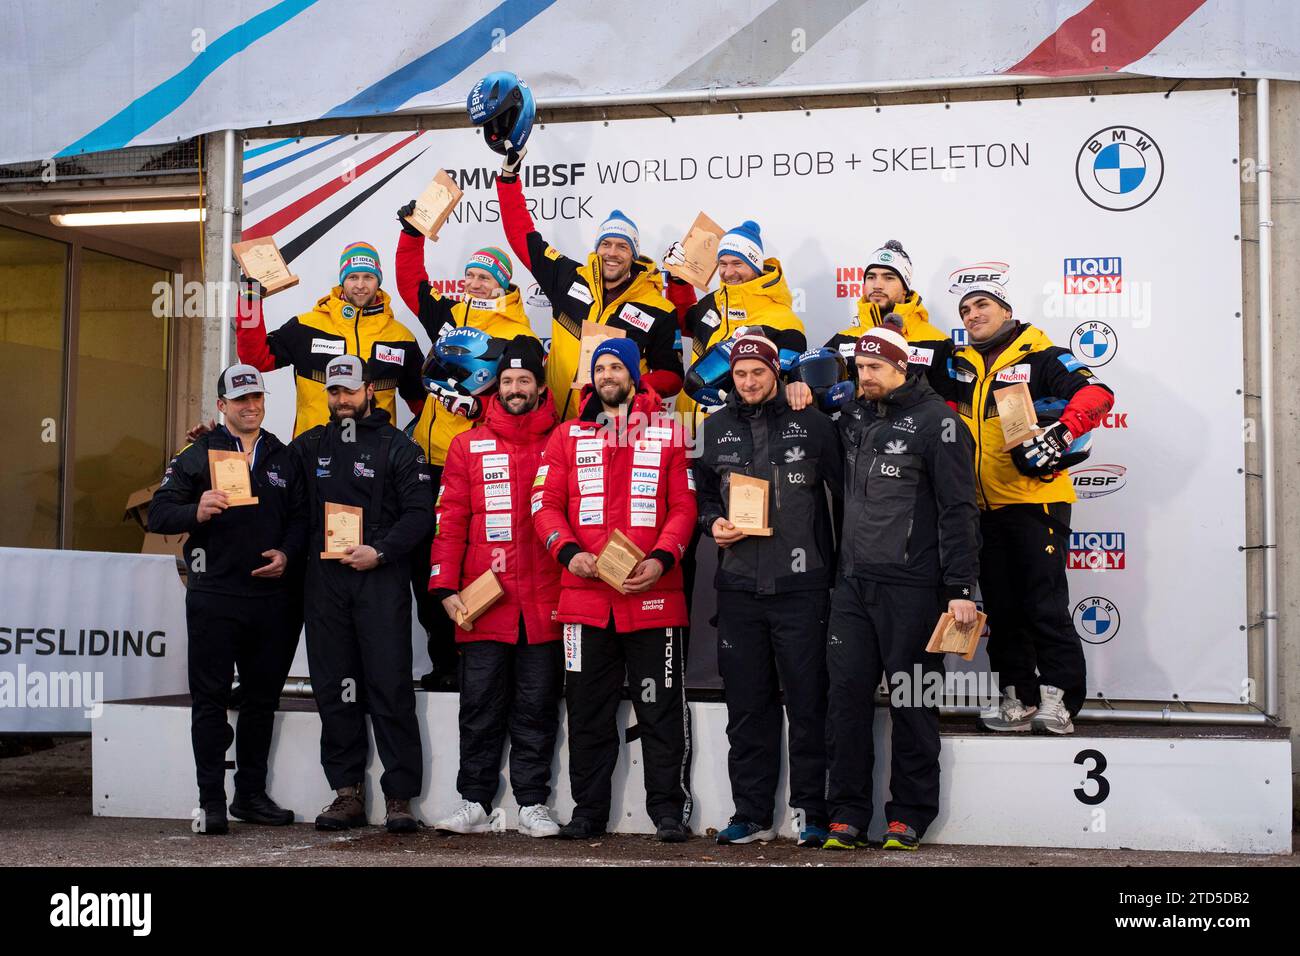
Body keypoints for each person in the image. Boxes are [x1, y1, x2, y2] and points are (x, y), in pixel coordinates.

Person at [822, 328, 981, 852]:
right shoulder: (852, 417)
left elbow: (959, 510)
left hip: (914, 587)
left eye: (876, 367)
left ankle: (909, 815)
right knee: (845, 701)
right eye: (860, 367)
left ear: (902, 367)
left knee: (913, 703)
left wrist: (961, 586)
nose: (865, 375)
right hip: (852, 585)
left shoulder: (941, 423)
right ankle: (846, 813)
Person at [533, 338, 697, 841]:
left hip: (653, 595)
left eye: (616, 368)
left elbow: (684, 508)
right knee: (586, 709)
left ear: (634, 374)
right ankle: (588, 810)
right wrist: (568, 552)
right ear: (591, 379)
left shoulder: (669, 433)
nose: (607, 376)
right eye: (599, 368)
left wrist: (661, 559)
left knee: (661, 707)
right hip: (584, 600)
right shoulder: (565, 435)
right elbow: (544, 505)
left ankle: (668, 810)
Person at [694, 335, 842, 848]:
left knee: (808, 706)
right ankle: (751, 813)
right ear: (730, 378)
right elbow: (701, 498)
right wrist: (712, 523)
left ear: (776, 373)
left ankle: (812, 813)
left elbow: (848, 499)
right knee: (747, 709)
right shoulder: (712, 428)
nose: (750, 381)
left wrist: (841, 573)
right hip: (737, 590)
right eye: (741, 374)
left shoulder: (816, 424)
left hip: (804, 589)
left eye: (759, 372)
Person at [949, 281, 1114, 735]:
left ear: (1007, 308)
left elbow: (1099, 394)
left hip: (1036, 502)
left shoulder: (1042, 355)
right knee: (1002, 608)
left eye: (982, 304)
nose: (972, 314)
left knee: (1043, 604)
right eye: (964, 309)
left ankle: (1060, 699)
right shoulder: (958, 363)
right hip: (981, 507)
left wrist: (1061, 433)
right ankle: (1017, 698)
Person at [148, 364, 305, 835]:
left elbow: (302, 519)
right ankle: (211, 801)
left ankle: (251, 796)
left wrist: (288, 553)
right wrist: (195, 509)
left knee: (261, 700)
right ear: (222, 406)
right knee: (211, 700)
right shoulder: (199, 453)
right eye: (240, 400)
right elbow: (157, 512)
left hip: (274, 599)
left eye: (256, 397)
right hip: (215, 594)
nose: (250, 406)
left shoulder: (283, 454)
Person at [394, 211, 540, 691]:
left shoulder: (518, 333)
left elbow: (525, 400)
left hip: (478, 465)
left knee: (479, 562)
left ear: (503, 284)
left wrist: (476, 407)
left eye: (486, 277)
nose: (475, 284)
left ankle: (478, 659)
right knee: (427, 567)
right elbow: (411, 282)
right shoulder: (450, 314)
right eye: (472, 275)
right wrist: (411, 233)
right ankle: (443, 665)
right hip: (425, 461)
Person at [427, 338, 564, 837]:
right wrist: (445, 587)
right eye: (506, 381)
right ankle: (474, 800)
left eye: (524, 380)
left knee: (536, 707)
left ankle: (532, 803)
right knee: (479, 706)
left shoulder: (563, 440)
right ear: (495, 386)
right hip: (484, 602)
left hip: (546, 600)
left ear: (539, 386)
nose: (514, 389)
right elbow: (450, 520)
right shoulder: (468, 444)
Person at [291, 355, 433, 833]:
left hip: (379, 577)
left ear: (370, 390)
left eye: (349, 391)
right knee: (335, 688)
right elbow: (270, 486)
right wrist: (215, 441)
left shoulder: (398, 446)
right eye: (333, 392)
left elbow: (420, 515)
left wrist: (382, 551)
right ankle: (346, 793)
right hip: (326, 583)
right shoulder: (309, 445)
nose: (341, 400)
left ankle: (399, 798)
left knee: (390, 687)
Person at [491, 143, 683, 420]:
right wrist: (509, 179)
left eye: (622, 247)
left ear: (634, 254)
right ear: (597, 248)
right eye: (606, 244)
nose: (612, 253)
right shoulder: (568, 277)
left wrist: (630, 385)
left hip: (613, 424)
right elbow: (523, 237)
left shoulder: (659, 309)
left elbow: (673, 375)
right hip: (553, 421)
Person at [235, 241, 427, 436]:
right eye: (353, 277)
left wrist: (407, 450)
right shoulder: (306, 327)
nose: (360, 285)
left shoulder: (401, 338)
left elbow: (424, 406)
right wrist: (249, 301)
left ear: (378, 281)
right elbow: (255, 358)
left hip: (376, 459)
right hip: (313, 453)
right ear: (342, 281)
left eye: (368, 277)